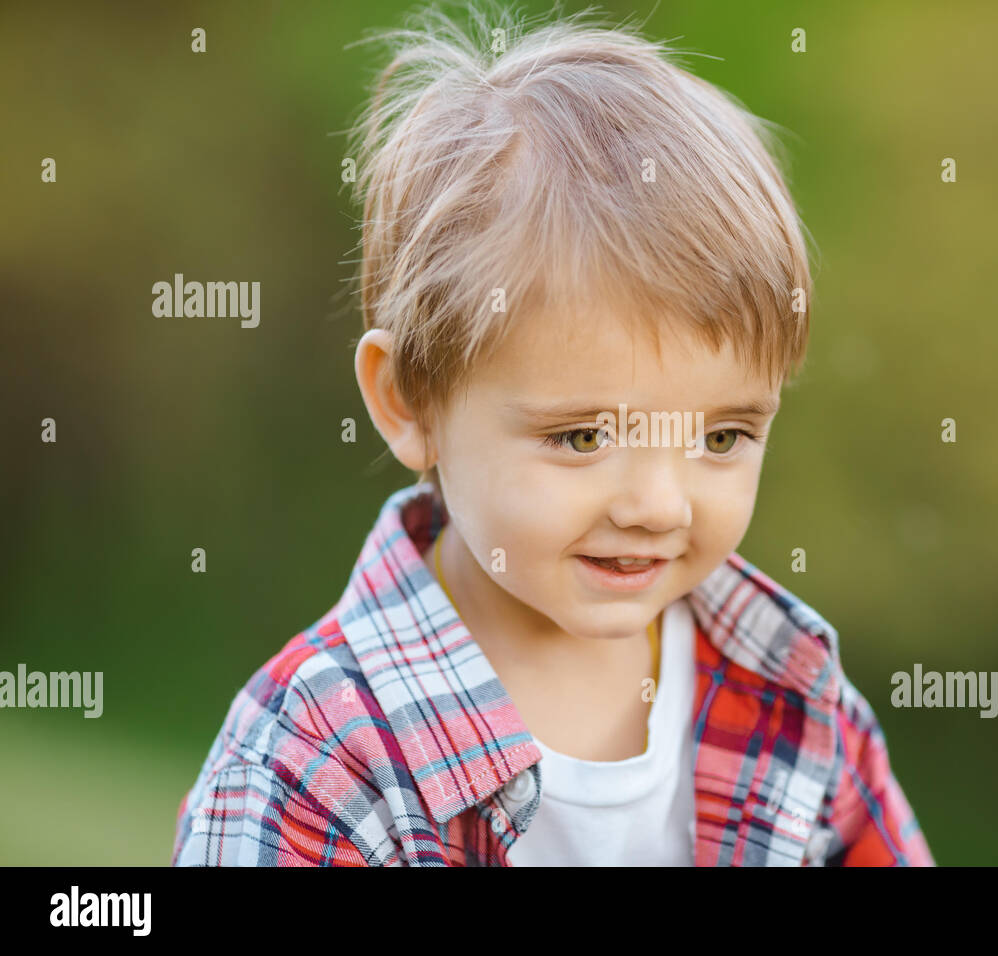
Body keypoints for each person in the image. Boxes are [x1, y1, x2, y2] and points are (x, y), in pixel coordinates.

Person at [171, 0, 934, 867]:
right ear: (409, 399)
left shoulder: (791, 690)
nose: (656, 504)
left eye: (721, 439)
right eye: (581, 438)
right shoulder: (317, 760)